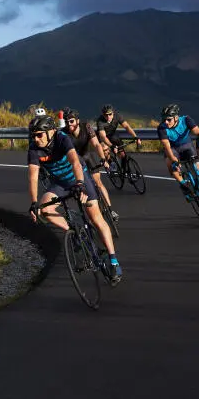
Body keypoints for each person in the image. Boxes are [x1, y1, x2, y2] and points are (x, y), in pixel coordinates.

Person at [27, 113, 122, 283]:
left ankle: (113, 260)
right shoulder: (34, 148)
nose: (36, 138)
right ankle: (77, 233)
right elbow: (33, 176)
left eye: (39, 135)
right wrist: (33, 202)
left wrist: (80, 184)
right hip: (59, 182)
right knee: (44, 209)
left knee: (96, 218)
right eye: (33, 135)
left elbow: (75, 162)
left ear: (50, 132)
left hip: (79, 177)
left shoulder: (62, 138)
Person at [61, 107, 117, 220]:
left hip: (87, 157)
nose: (69, 124)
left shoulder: (86, 126)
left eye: (71, 121)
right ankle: (89, 214)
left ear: (77, 120)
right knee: (83, 187)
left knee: (99, 183)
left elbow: (96, 144)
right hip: (76, 162)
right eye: (66, 122)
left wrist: (103, 159)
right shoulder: (63, 133)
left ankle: (110, 211)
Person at [157, 103, 199, 199]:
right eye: (164, 119)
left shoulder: (186, 119)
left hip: (187, 146)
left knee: (197, 167)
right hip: (173, 149)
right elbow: (167, 147)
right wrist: (173, 159)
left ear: (176, 117)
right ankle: (183, 185)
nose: (166, 122)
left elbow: (197, 132)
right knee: (171, 165)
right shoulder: (161, 128)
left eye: (169, 119)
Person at [95, 104, 141, 171]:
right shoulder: (100, 121)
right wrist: (112, 146)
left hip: (112, 135)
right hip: (102, 138)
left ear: (113, 113)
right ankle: (111, 163)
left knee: (122, 154)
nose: (108, 117)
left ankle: (124, 170)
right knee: (105, 150)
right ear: (103, 114)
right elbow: (103, 137)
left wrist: (136, 137)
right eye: (106, 115)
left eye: (110, 114)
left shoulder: (117, 116)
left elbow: (127, 126)